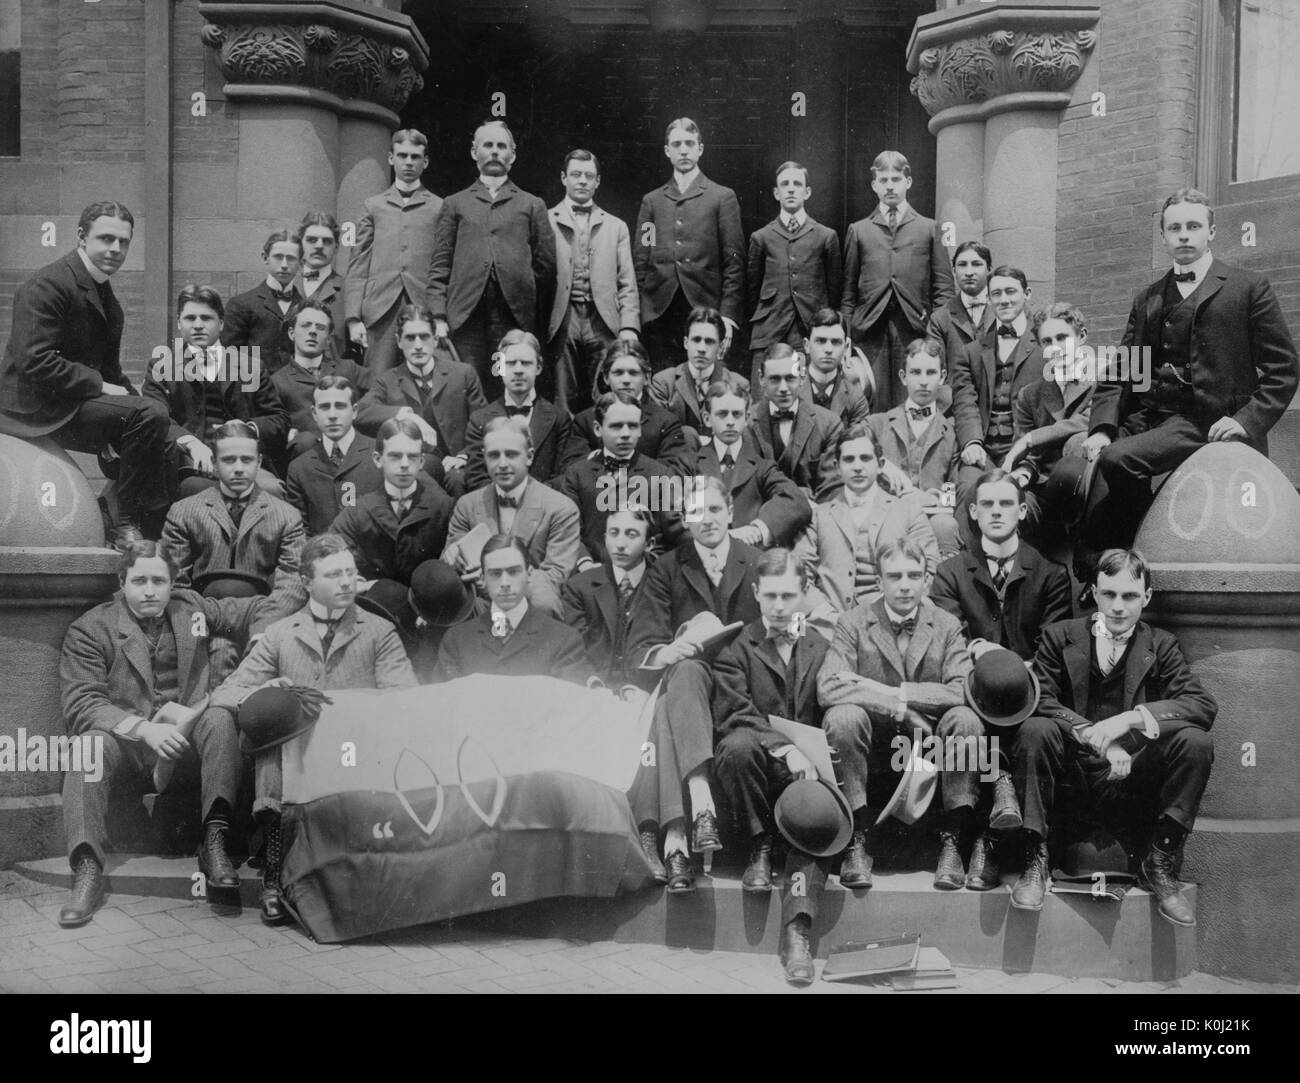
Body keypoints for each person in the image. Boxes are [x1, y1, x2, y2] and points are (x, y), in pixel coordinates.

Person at [55, 539, 300, 927]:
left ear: (173, 584)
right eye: (139, 581)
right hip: (127, 746)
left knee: (219, 717)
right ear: (122, 582)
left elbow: (262, 606)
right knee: (88, 745)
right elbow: (82, 702)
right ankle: (86, 870)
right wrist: (145, 730)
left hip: (186, 743)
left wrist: (260, 639)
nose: (150, 591)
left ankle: (215, 840)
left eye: (159, 581)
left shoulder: (192, 609)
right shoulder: (90, 629)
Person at [209, 533, 417, 922]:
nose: (345, 583)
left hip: (356, 750)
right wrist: (265, 691)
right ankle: (274, 875)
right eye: (334, 574)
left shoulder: (378, 632)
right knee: (274, 729)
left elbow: (404, 697)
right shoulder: (280, 634)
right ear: (306, 582)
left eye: (351, 574)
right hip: (295, 756)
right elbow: (228, 690)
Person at [1082, 187, 1300, 555]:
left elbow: (1283, 368)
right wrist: (1102, 428)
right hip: (1149, 416)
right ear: (1165, 236)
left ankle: (1134, 556)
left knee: (1119, 459)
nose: (1184, 234)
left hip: (1208, 420)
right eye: (1175, 227)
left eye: (1194, 226)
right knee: (1079, 469)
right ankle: (1094, 574)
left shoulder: (1248, 288)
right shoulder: (1149, 296)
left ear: (1211, 232)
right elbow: (1123, 370)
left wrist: (1246, 421)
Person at [1010, 549, 1216, 924]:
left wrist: (1131, 719)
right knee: (1033, 730)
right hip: (1069, 780)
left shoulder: (1161, 645)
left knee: (1196, 742)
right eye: (1109, 595)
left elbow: (1202, 706)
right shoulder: (1060, 637)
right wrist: (1091, 733)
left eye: (1130, 596)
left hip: (1129, 782)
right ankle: (1034, 859)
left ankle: (1160, 860)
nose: (1119, 607)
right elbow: (1039, 701)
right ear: (1093, 593)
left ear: (1147, 598)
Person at [0, 200, 171, 538]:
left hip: (69, 402)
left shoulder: (105, 297)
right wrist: (101, 387)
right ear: (81, 236)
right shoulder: (49, 284)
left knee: (158, 423)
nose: (116, 249)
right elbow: (34, 360)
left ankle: (120, 512)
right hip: (32, 410)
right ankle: (125, 525)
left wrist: (160, 417)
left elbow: (113, 373)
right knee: (148, 415)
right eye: (106, 238)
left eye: (123, 242)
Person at [625, 476, 764, 892]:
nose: (707, 521)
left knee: (669, 708)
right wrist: (671, 648)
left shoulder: (756, 560)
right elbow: (646, 641)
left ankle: (674, 842)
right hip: (689, 681)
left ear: (731, 513)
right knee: (682, 675)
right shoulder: (667, 567)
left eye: (715, 510)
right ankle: (694, 818)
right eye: (697, 513)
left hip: (743, 684)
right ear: (685, 519)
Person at [818, 539, 981, 890]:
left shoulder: (947, 624)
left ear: (926, 580)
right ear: (879, 582)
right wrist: (894, 706)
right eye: (894, 576)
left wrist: (897, 693)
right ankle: (855, 842)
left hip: (929, 744)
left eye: (913, 575)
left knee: (967, 720)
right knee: (842, 716)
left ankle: (953, 842)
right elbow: (829, 686)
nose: (905, 585)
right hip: (875, 740)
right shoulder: (853, 622)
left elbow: (959, 690)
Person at [712, 548, 833, 984]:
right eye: (770, 597)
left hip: (807, 779)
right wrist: (785, 747)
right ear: (756, 593)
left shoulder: (822, 646)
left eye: (788, 596)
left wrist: (815, 757)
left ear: (804, 593)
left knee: (814, 814)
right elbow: (735, 714)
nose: (779, 608)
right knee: (738, 745)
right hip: (756, 784)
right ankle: (759, 847)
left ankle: (797, 937)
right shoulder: (735, 648)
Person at [427, 119, 557, 390]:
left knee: (505, 381)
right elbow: (440, 266)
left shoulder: (531, 204)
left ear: (513, 154)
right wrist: (439, 315)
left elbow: (545, 267)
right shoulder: (455, 203)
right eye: (488, 145)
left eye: (502, 146)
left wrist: (522, 290)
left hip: (512, 314)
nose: (495, 151)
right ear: (475, 153)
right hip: (465, 316)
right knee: (466, 382)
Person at [143, 285, 289, 499]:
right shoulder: (162, 367)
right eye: (190, 318)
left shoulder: (250, 366)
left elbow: (279, 419)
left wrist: (246, 429)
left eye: (206, 318)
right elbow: (156, 419)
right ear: (179, 323)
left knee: (273, 491)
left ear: (221, 323)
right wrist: (191, 444)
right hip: (188, 465)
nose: (198, 325)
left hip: (242, 462)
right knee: (197, 491)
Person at [840, 151, 954, 412]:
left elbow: (944, 289)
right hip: (870, 331)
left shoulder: (929, 228)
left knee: (912, 399)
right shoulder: (859, 230)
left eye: (896, 178)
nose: (890, 185)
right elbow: (848, 293)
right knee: (873, 403)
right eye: (883, 180)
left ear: (908, 182)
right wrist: (847, 336)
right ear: (874, 185)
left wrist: (935, 335)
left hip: (914, 329)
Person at [793, 424, 937, 622]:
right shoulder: (819, 517)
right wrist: (826, 613)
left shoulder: (909, 512)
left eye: (865, 458)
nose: (857, 466)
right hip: (831, 624)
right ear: (837, 467)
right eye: (849, 459)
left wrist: (894, 611)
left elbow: (929, 572)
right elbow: (799, 574)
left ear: (880, 464)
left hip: (893, 623)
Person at [442, 416, 581, 619]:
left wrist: (495, 582)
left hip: (531, 605)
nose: (503, 464)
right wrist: (452, 556)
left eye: (512, 454)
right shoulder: (467, 505)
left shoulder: (560, 508)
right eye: (494, 455)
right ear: (484, 457)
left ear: (529, 456)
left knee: (543, 598)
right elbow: (453, 557)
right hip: (481, 605)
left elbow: (555, 576)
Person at [634, 118, 745, 371]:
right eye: (677, 144)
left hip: (707, 310)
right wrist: (642, 314)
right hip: (659, 314)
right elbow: (641, 260)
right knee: (664, 386)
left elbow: (734, 264)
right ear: (667, 151)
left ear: (700, 149)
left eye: (689, 143)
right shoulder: (652, 202)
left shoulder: (721, 197)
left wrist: (727, 315)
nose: (683, 150)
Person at [931, 469, 1073, 662]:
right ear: (973, 511)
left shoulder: (1052, 575)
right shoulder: (949, 574)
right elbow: (948, 643)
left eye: (1005, 504)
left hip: (1033, 684)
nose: (996, 511)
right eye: (987, 504)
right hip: (968, 681)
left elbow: (1053, 651)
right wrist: (975, 648)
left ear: (1022, 511)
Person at [949, 265, 1044, 550]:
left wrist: (1028, 464)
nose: (1004, 300)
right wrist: (971, 442)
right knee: (968, 493)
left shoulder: (1044, 348)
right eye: (996, 294)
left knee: (1020, 504)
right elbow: (964, 401)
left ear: (1026, 294)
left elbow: (1051, 415)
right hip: (984, 452)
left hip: (1026, 454)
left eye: (1011, 292)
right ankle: (970, 573)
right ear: (989, 299)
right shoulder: (972, 351)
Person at [160, 420, 304, 595]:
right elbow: (175, 583)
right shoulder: (183, 512)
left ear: (258, 462)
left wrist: (264, 620)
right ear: (214, 462)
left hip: (264, 613)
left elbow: (292, 585)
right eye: (229, 460)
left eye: (246, 459)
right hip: (201, 612)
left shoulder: (287, 516)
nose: (238, 469)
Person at [355, 304, 486, 495]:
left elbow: (483, 423)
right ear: (399, 341)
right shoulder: (388, 380)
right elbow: (359, 412)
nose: (417, 345)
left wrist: (464, 456)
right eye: (410, 338)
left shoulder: (463, 374)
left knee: (458, 480)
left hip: (457, 467)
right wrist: (405, 415)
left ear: (434, 339)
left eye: (424, 337)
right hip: (412, 470)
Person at [546, 148, 640, 414]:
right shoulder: (545, 220)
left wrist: (629, 327)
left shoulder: (616, 226)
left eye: (589, 175)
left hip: (603, 320)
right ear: (564, 178)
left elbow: (627, 282)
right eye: (576, 174)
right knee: (563, 395)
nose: (583, 181)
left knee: (606, 393)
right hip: (563, 318)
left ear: (598, 181)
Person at [343, 128, 443, 372]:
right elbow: (358, 263)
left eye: (415, 157)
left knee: (427, 377)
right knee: (379, 377)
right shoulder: (373, 206)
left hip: (422, 304)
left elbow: (444, 264)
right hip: (380, 309)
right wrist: (354, 318)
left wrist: (440, 315)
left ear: (425, 162)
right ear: (391, 158)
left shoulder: (439, 207)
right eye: (402, 155)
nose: (408, 162)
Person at [435, 534, 590, 683]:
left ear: (529, 574)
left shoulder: (563, 640)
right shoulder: (457, 640)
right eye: (495, 574)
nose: (505, 583)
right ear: (482, 578)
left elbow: (571, 705)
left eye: (513, 572)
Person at [1003, 303, 1098, 540]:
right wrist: (1023, 472)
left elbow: (1087, 421)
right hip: (1044, 489)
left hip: (1085, 487)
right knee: (1007, 504)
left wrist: (1031, 439)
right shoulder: (1030, 395)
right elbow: (1030, 458)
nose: (1055, 348)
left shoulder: (1103, 380)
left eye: (1062, 337)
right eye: (1047, 341)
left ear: (1082, 336)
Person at [556, 393, 682, 565]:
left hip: (644, 575)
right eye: (616, 426)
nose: (625, 434)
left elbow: (669, 536)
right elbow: (569, 531)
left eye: (632, 426)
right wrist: (584, 563)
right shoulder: (577, 475)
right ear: (597, 429)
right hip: (591, 572)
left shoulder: (660, 474)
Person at [746, 162, 842, 385]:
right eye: (785, 184)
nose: (791, 189)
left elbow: (834, 290)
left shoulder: (825, 236)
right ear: (776, 193)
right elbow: (751, 291)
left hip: (809, 330)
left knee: (806, 397)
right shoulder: (761, 237)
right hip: (769, 330)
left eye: (797, 184)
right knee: (763, 396)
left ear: (807, 192)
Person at [329, 416, 453, 587]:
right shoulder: (358, 512)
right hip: (376, 602)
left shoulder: (443, 507)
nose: (404, 464)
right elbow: (330, 550)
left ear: (422, 461)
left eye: (412, 457)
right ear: (377, 459)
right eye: (395, 456)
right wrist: (355, 581)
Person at [866, 337, 960, 559]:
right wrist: (881, 463)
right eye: (916, 372)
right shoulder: (878, 424)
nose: (924, 381)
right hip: (887, 515)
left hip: (931, 520)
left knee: (946, 526)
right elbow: (847, 444)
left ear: (942, 377)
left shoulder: (951, 433)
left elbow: (953, 490)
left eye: (931, 373)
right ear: (903, 377)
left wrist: (934, 499)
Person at [462, 329, 582, 489]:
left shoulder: (559, 419)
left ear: (538, 367)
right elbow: (477, 478)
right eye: (510, 363)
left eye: (526, 363)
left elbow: (564, 475)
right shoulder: (480, 419)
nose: (518, 370)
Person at [696, 379, 810, 547]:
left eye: (736, 414)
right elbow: (672, 515)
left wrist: (757, 529)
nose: (730, 421)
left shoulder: (761, 467)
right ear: (707, 418)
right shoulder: (691, 464)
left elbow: (796, 500)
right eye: (722, 414)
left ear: (747, 418)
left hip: (748, 559)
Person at [561, 506, 654, 689]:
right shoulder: (580, 586)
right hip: (593, 690)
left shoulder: (664, 583)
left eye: (631, 534)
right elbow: (571, 651)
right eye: (613, 533)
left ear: (649, 544)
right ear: (605, 538)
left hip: (645, 692)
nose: (620, 543)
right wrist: (593, 685)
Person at [270, 299, 372, 463]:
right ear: (291, 333)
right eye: (306, 325)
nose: (313, 332)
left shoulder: (348, 368)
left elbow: (383, 386)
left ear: (329, 338)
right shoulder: (277, 382)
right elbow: (273, 425)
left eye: (320, 327)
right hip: (308, 460)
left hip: (351, 455)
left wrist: (357, 413)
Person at [571, 339, 694, 474]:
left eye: (633, 373)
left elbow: (670, 472)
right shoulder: (585, 421)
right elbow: (572, 467)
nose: (626, 380)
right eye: (618, 373)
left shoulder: (666, 423)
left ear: (647, 377)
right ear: (606, 377)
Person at [285, 377, 383, 536]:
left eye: (340, 406)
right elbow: (299, 532)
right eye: (324, 407)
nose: (332, 415)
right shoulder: (299, 469)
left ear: (355, 411)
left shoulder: (379, 455)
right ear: (314, 413)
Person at [748, 343, 843, 500]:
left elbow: (831, 489)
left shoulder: (828, 424)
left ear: (802, 377)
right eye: (775, 379)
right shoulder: (747, 422)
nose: (783, 387)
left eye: (790, 378)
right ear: (761, 379)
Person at [648, 306, 749, 440]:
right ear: (686, 343)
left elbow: (742, 436)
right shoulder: (664, 383)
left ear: (720, 347)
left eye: (709, 341)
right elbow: (657, 433)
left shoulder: (738, 384)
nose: (701, 348)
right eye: (696, 340)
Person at [221, 229, 302, 374]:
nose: (284, 264)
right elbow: (230, 357)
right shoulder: (241, 304)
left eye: (291, 258)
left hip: (296, 392)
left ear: (300, 263)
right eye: (278, 257)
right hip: (256, 390)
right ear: (265, 258)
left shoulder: (306, 307)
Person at [925, 240, 995, 394]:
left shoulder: (1003, 311)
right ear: (954, 270)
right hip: (956, 403)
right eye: (962, 265)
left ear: (989, 269)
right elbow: (934, 370)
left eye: (976, 264)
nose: (969, 272)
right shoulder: (940, 318)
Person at [294, 211, 357, 363]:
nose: (319, 246)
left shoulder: (349, 291)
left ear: (336, 248)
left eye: (327, 241)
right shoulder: (286, 288)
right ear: (300, 245)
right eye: (311, 240)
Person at [800, 308, 873, 429]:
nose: (828, 349)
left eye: (836, 342)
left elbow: (858, 444)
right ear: (807, 346)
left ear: (846, 347)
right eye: (821, 341)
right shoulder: (790, 392)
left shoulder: (855, 397)